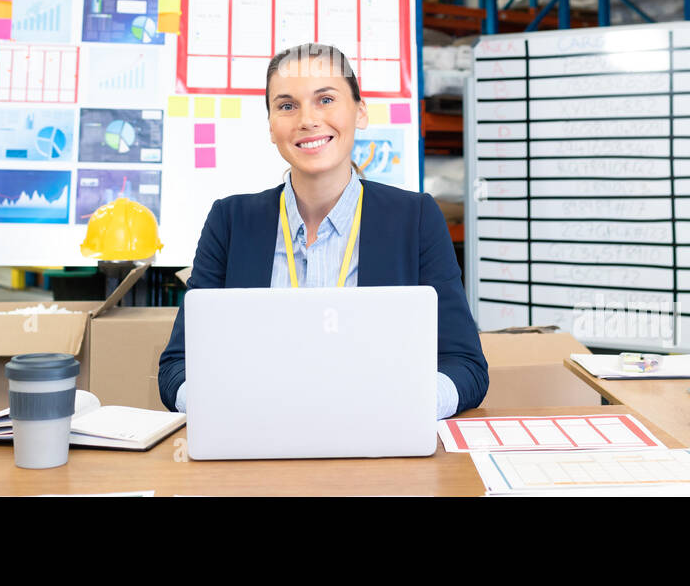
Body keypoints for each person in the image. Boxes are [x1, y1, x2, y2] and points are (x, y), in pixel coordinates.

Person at [158, 42, 488, 419]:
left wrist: (403, 404)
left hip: (376, 443)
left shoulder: (414, 218)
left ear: (360, 112)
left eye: (326, 99)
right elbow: (177, 367)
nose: (307, 120)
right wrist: (225, 406)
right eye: (286, 105)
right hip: (257, 445)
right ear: (270, 126)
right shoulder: (230, 221)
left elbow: (465, 366)